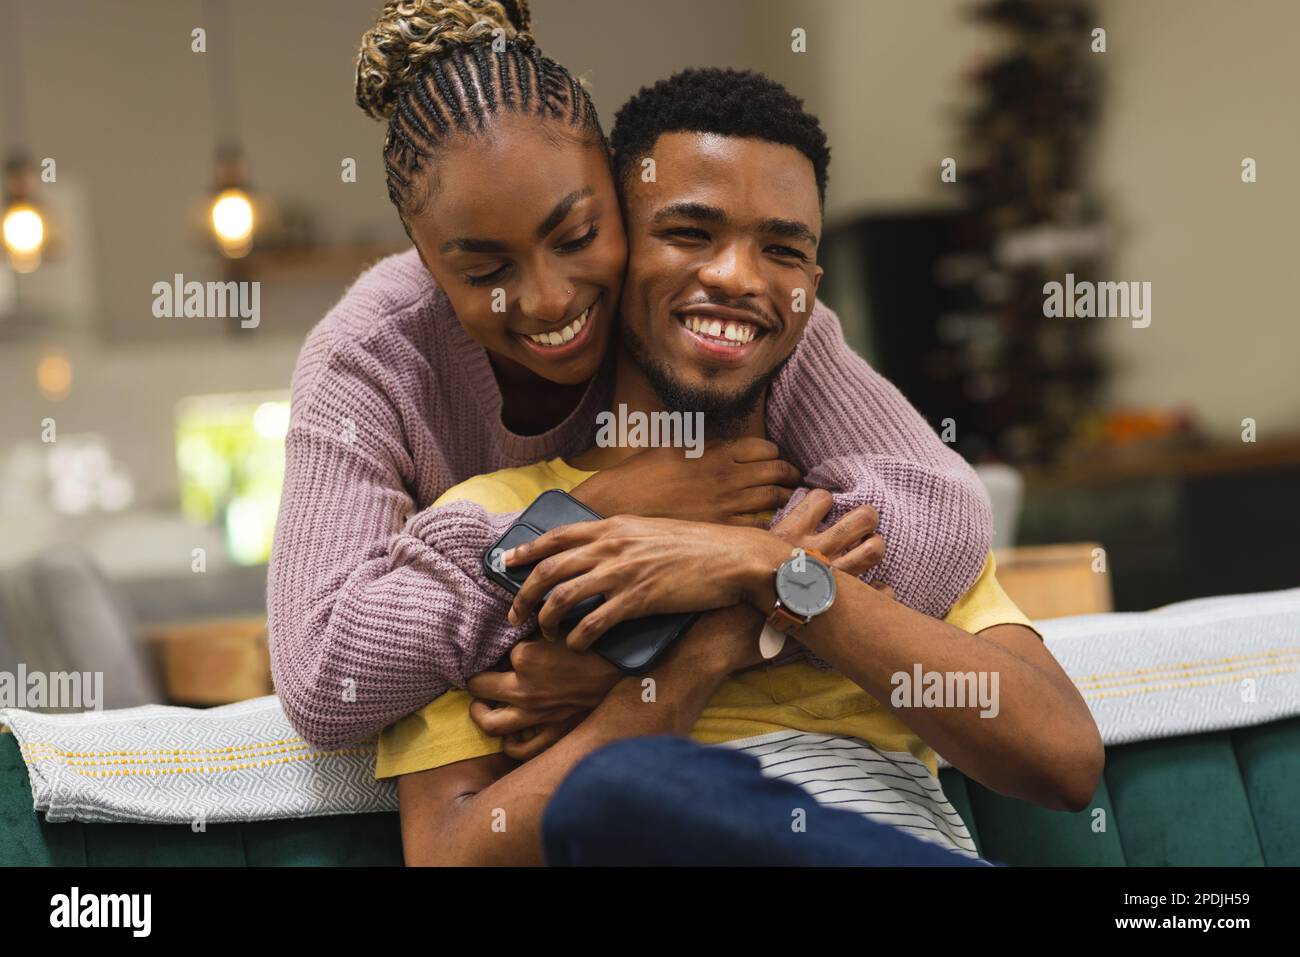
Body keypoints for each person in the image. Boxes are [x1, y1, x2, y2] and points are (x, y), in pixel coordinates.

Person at [380, 67, 1105, 866]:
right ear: (616, 251)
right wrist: (705, 654)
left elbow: (1064, 758)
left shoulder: (870, 512)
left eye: (783, 250)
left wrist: (770, 567)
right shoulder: (495, 527)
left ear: (810, 288)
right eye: (691, 233)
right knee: (623, 788)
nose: (737, 277)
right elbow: (449, 852)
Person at [268, 0, 994, 751]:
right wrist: (587, 511)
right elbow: (326, 677)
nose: (549, 297)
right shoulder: (370, 359)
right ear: (425, 264)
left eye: (578, 235)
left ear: (621, 193)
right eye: (484, 269)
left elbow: (940, 516)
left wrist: (696, 623)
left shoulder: (694, 306)